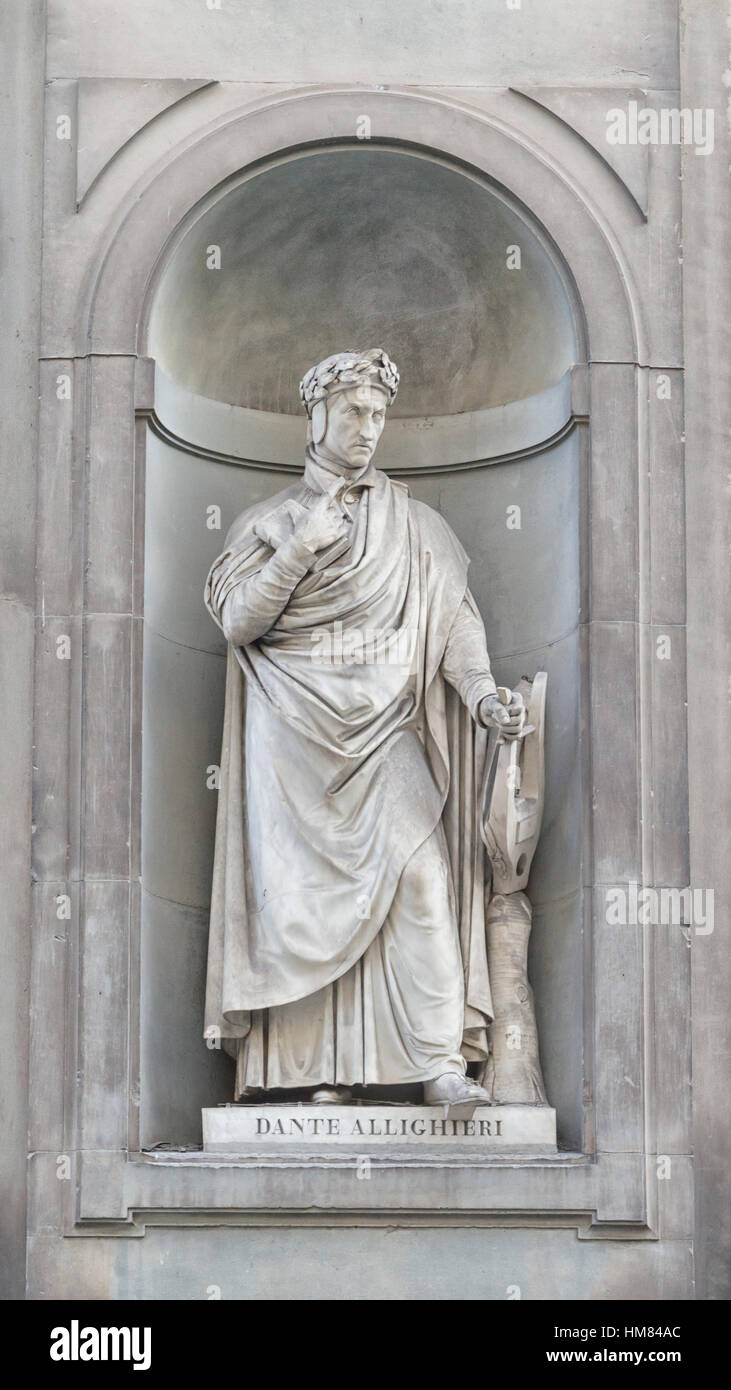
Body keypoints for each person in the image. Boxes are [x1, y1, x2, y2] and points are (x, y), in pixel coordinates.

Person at [204, 349, 524, 1107]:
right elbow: (237, 619)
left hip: (386, 733)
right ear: (315, 416)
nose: (367, 428)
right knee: (302, 896)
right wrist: (296, 548)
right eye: (353, 411)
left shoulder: (418, 529)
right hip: (292, 739)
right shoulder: (269, 521)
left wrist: (481, 697)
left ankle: (439, 1062)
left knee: (422, 878)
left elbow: (453, 624)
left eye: (378, 415)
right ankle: (317, 1073)